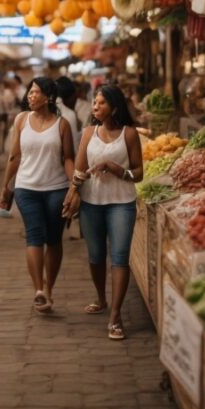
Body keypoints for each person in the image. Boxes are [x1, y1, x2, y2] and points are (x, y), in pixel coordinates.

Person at [67, 84, 143, 340]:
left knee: (119, 257)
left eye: (101, 103)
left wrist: (116, 168)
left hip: (122, 203)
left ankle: (116, 316)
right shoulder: (88, 133)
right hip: (91, 202)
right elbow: (79, 170)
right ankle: (101, 298)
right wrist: (72, 192)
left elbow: (138, 173)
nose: (95, 107)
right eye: (94, 103)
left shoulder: (130, 134)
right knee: (96, 255)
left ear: (114, 106)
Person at [0, 78, 76, 313]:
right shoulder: (21, 120)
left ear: (49, 97)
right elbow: (14, 156)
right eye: (30, 92)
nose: (30, 96)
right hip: (26, 188)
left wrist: (74, 187)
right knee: (34, 235)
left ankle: (49, 289)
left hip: (56, 188)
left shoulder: (62, 125)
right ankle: (39, 290)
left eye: (36, 92)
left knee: (53, 239)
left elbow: (68, 158)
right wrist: (6, 188)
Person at [55, 76, 82, 152]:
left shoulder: (45, 109)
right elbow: (74, 147)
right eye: (75, 97)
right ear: (71, 96)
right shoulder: (69, 114)